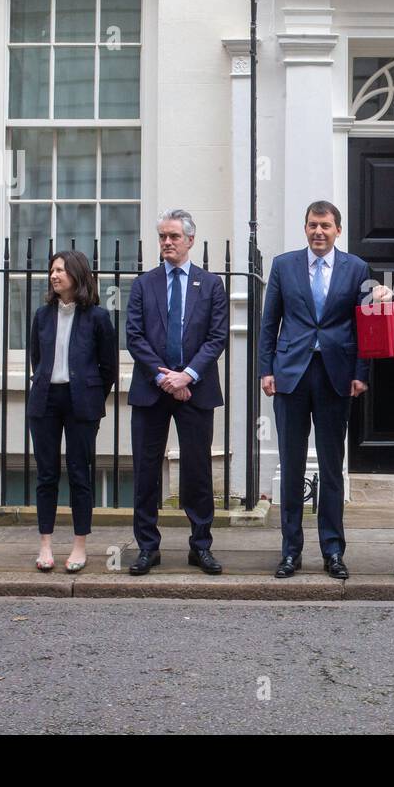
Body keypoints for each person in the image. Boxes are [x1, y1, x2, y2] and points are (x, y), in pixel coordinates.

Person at [259, 200, 389, 580]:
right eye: (313, 225)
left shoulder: (356, 268)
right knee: (291, 466)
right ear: (305, 228)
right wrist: (266, 370)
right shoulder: (284, 265)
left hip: (336, 375)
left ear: (337, 230)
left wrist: (361, 372)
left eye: (326, 226)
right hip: (291, 376)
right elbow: (270, 322)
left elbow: (366, 323)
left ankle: (333, 550)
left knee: (333, 469)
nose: (319, 232)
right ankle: (290, 551)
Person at [125, 209, 228, 576]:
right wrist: (163, 377)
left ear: (190, 240)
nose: (167, 242)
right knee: (146, 471)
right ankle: (147, 548)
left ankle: (200, 546)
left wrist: (187, 377)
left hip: (195, 391)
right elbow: (134, 337)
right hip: (151, 391)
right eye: (163, 237)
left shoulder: (211, 284)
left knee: (198, 470)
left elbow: (217, 337)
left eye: (173, 237)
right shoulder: (143, 284)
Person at [27, 250, 118, 573]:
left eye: (61, 270)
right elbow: (36, 359)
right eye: (52, 270)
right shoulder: (42, 315)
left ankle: (80, 546)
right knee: (46, 474)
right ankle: (46, 545)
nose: (54, 275)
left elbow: (109, 368)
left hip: (81, 402)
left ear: (77, 275)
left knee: (80, 472)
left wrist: (92, 396)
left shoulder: (97, 317)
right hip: (46, 400)